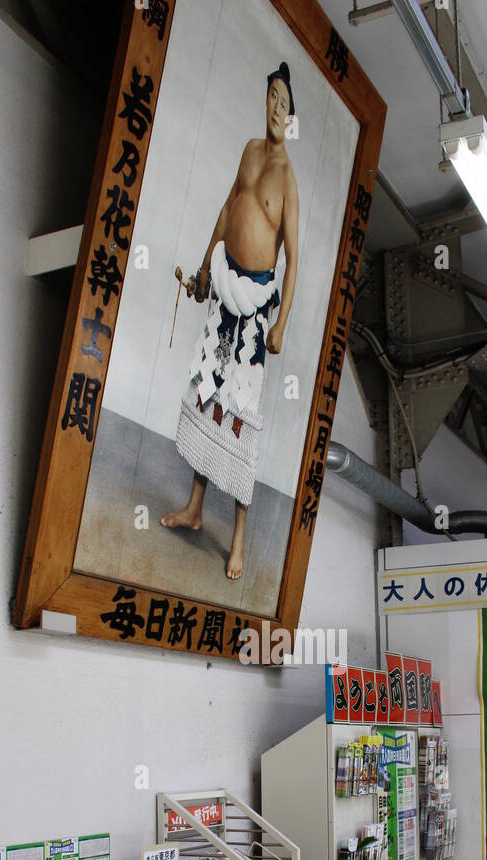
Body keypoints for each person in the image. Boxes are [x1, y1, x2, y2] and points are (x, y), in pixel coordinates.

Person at [162, 62, 300, 582]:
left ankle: (238, 539)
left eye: (285, 103)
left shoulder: (288, 179)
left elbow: (293, 262)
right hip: (223, 287)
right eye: (272, 97)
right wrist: (203, 268)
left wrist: (281, 323)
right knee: (209, 393)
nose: (276, 108)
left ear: (292, 117)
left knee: (240, 411)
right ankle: (195, 509)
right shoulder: (247, 150)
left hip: (257, 310)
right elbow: (227, 208)